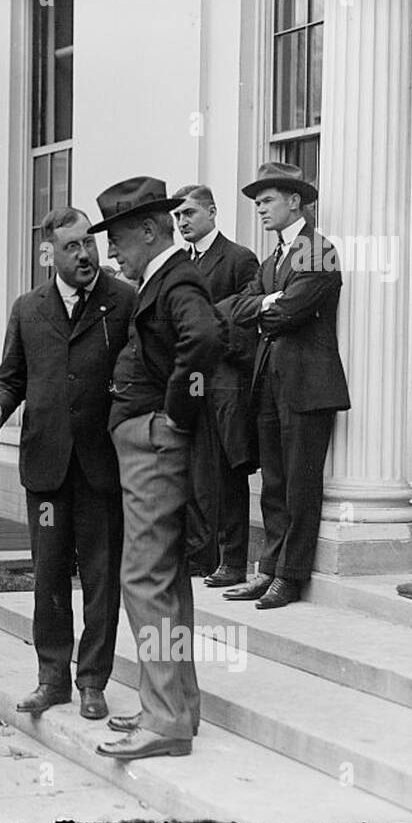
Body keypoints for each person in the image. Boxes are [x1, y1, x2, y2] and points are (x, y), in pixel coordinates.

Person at [0, 207, 137, 721]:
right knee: (48, 577)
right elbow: (12, 376)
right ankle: (52, 678)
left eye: (89, 243)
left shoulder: (122, 299)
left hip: (102, 466)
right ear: (50, 254)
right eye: (72, 247)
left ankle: (92, 682)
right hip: (46, 467)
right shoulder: (28, 309)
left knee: (103, 577)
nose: (86, 254)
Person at [88, 176, 221, 761]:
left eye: (117, 239)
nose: (111, 252)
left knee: (143, 578)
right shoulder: (162, 279)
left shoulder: (175, 278)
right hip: (148, 444)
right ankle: (174, 711)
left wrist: (174, 415)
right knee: (163, 578)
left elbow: (206, 338)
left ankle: (165, 720)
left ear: (149, 230)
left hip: (154, 445)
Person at [222, 162, 351, 610]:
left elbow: (286, 313)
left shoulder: (318, 251)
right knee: (274, 483)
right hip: (270, 382)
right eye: (257, 203)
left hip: (308, 385)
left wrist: (266, 304)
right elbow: (237, 308)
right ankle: (269, 570)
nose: (259, 209)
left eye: (267, 200)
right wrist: (266, 301)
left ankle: (290, 577)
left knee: (299, 484)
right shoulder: (274, 258)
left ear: (295, 200)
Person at [171, 184, 260, 588]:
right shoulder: (178, 264)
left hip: (226, 382)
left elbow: (246, 315)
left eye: (189, 213)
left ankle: (233, 560)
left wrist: (208, 325)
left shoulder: (239, 259)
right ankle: (200, 556)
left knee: (227, 472)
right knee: (193, 471)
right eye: (177, 216)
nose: (182, 221)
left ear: (212, 212)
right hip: (190, 381)